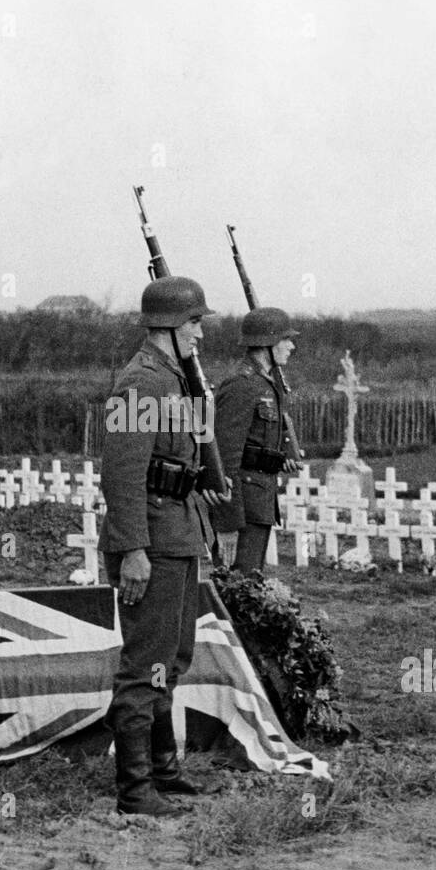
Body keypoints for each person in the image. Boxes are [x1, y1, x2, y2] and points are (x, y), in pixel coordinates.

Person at [100, 276, 228, 816]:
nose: (201, 333)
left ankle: (163, 770)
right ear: (172, 327)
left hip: (178, 535)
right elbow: (122, 475)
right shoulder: (140, 384)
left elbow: (182, 462)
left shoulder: (175, 380)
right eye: (195, 323)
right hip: (150, 541)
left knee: (171, 659)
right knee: (144, 665)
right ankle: (134, 791)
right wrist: (132, 550)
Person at [210, 307, 301, 571]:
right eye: (286, 339)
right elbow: (225, 458)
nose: (291, 346)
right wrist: (228, 523)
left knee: (248, 588)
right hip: (242, 511)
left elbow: (258, 442)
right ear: (267, 343)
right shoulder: (241, 385)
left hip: (258, 504)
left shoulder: (265, 384)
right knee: (235, 591)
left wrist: (282, 455)